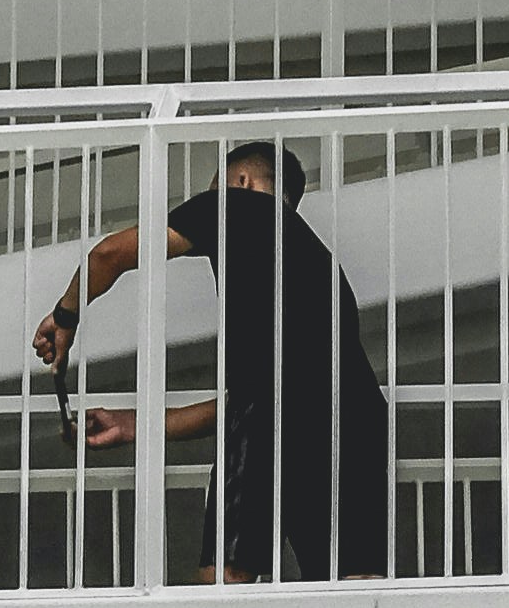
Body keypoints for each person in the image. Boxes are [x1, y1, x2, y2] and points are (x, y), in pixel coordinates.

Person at [34, 144, 392, 584]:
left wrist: (65, 316)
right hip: (356, 418)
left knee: (224, 579)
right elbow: (260, 398)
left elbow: (110, 255)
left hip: (274, 412)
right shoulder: (321, 271)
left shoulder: (235, 204)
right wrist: (131, 425)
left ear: (241, 181)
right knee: (354, 585)